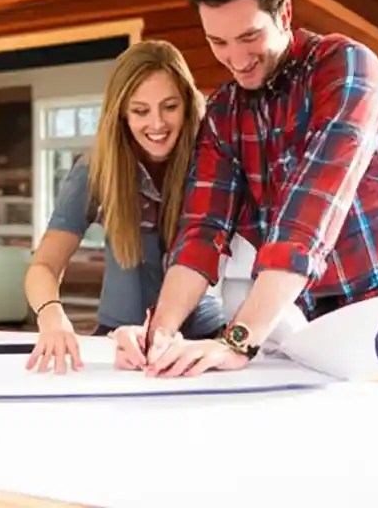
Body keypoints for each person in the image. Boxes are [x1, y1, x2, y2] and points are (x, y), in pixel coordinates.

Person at [113, 0, 378, 377]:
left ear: (284, 15)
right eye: (218, 42)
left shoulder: (348, 70)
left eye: (249, 36)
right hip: (296, 316)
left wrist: (237, 340)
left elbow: (308, 218)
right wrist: (160, 332)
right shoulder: (223, 113)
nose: (237, 59)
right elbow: (202, 230)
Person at [22, 40, 226, 374]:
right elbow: (43, 266)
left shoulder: (212, 164)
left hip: (201, 340)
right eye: (141, 111)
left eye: (170, 106)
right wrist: (52, 316)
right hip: (117, 342)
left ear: (188, 105)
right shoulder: (94, 171)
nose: (157, 124)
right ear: (121, 113)